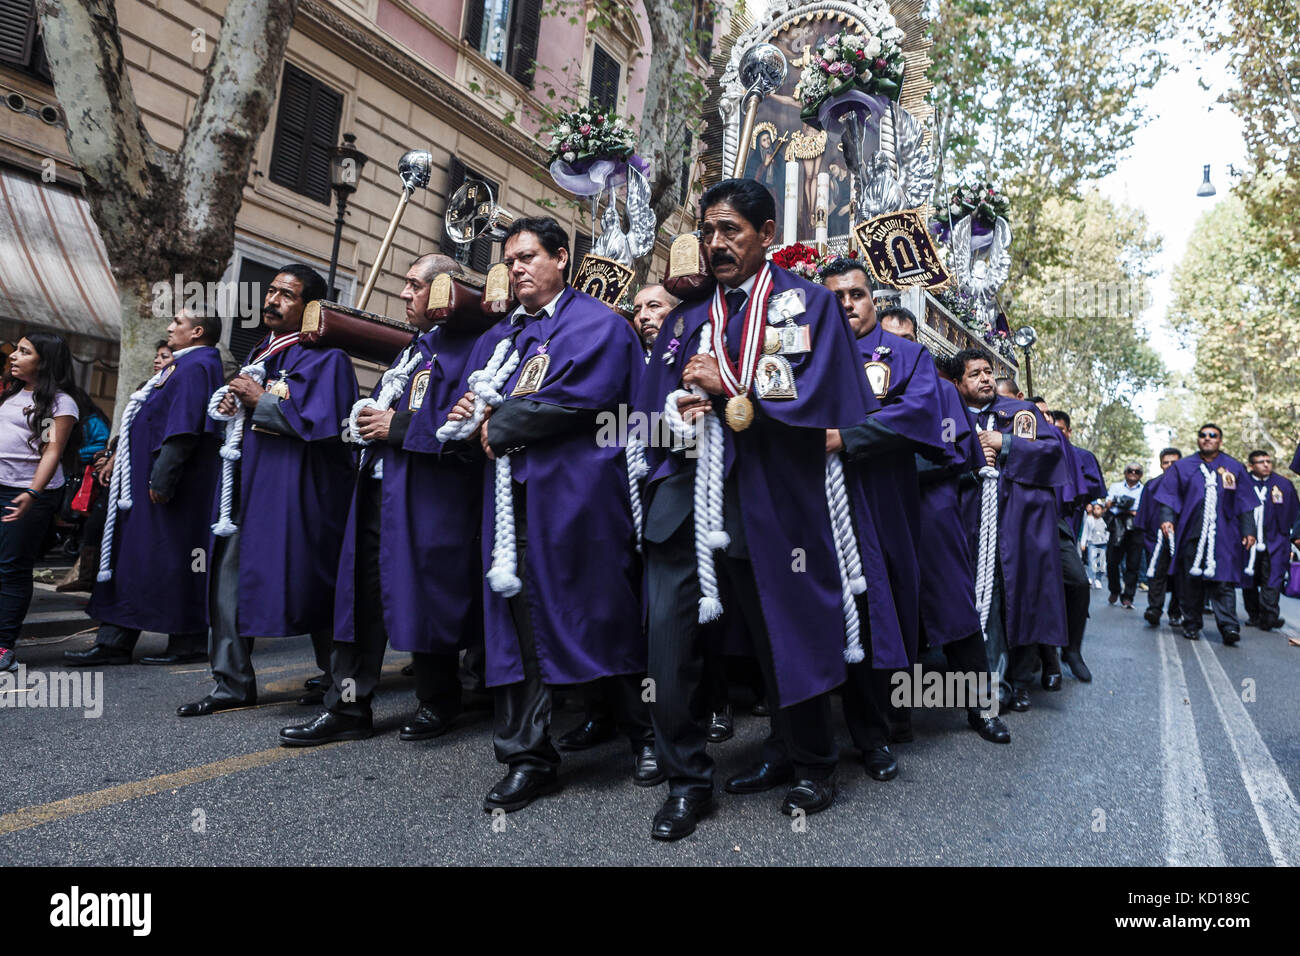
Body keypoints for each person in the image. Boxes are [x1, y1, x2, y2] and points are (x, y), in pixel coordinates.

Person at [635, 178, 875, 840]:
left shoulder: (807, 307)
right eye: (708, 231)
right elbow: (645, 422)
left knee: (784, 629)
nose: (715, 244)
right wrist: (675, 417)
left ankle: (807, 760)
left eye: (730, 231)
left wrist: (731, 386)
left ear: (767, 235)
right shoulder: (685, 322)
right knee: (668, 642)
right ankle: (687, 782)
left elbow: (824, 404)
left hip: (771, 490)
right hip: (687, 494)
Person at [444, 217, 656, 812]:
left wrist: (499, 421)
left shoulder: (598, 325)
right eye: (509, 259)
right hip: (509, 508)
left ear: (562, 258)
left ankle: (645, 733)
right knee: (513, 630)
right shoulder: (497, 340)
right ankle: (527, 756)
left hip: (578, 502)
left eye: (529, 256)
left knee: (602, 615)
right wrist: (467, 420)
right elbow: (469, 407)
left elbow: (577, 398)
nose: (516, 268)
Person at [281, 254, 487, 745]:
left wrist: (398, 428)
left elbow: (470, 435)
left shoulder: (478, 348)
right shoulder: (414, 349)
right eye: (405, 284)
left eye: (415, 285)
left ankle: (439, 700)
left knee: (424, 594)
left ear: (446, 292)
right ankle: (349, 706)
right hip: (376, 487)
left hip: (427, 497)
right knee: (360, 598)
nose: (404, 294)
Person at [178, 264, 359, 715]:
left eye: (287, 295)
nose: (272, 300)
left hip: (299, 494)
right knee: (227, 581)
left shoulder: (329, 358)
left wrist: (262, 401)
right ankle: (231, 681)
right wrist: (232, 406)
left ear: (310, 306)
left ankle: (342, 685)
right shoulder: (262, 352)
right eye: (271, 291)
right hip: (246, 489)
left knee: (315, 582)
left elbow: (328, 425)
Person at [821, 271, 947, 778]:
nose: (848, 304)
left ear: (874, 300)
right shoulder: (805, 356)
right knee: (812, 613)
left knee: (875, 614)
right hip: (814, 502)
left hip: (880, 503)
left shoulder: (908, 356)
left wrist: (844, 437)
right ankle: (794, 739)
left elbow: (917, 413)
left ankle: (874, 733)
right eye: (836, 297)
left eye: (857, 295)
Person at [65, 309, 224, 667]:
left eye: (178, 323)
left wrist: (162, 478)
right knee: (137, 561)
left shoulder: (196, 366)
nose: (169, 327)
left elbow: (184, 429)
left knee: (169, 563)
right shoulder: (184, 365)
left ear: (197, 332)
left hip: (167, 490)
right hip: (144, 487)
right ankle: (115, 642)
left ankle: (184, 642)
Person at [953, 349, 1070, 712]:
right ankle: (989, 684)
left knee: (1024, 597)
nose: (985, 379)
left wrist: (1005, 444)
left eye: (988, 372)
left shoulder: (1021, 413)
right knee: (984, 602)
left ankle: (1016, 682)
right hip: (969, 524)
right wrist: (973, 454)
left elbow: (1053, 453)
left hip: (1019, 526)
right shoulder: (948, 415)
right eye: (975, 374)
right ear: (958, 383)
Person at [0, 332, 81, 672]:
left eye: (24, 352)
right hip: (2, 484)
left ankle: (4, 647)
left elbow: (51, 451)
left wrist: (32, 493)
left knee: (11, 567)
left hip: (26, 493)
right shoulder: (14, 394)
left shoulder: (57, 404)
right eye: (16, 350)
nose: (14, 357)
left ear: (44, 361)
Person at [1154, 424, 1255, 645]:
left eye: (1213, 436)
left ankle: (1229, 626)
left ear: (1220, 440)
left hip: (1225, 534)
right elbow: (1169, 496)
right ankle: (1191, 623)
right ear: (1198, 439)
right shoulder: (1183, 467)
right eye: (1203, 435)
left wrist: (1249, 530)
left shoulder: (1234, 468)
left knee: (1223, 581)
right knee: (1190, 580)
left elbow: (1245, 501)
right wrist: (1167, 519)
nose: (1207, 438)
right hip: (1192, 531)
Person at [1049, 409, 1104, 683]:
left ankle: (1072, 650)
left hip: (1065, 528)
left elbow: (1092, 489)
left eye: (1059, 428)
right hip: (1030, 527)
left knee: (1078, 583)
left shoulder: (1081, 456)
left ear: (1068, 431)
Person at [1241, 450, 1298, 631]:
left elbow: (1294, 513)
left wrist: (1288, 536)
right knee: (1249, 578)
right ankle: (1254, 614)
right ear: (1251, 465)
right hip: (1248, 541)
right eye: (1260, 462)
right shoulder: (1243, 484)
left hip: (1275, 540)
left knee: (1273, 578)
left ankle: (1269, 615)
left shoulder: (1284, 485)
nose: (1266, 465)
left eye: (1268, 461)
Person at [1136, 447, 1183, 627]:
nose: (1170, 466)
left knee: (1180, 578)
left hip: (1180, 540)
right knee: (1156, 576)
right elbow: (1143, 514)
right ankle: (1154, 609)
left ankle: (1176, 612)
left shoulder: (1187, 486)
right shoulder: (1152, 485)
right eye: (1166, 462)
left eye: (1174, 463)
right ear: (1161, 464)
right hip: (1155, 540)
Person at [1105, 463, 1145, 607]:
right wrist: (1120, 504)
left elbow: (1142, 510)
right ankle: (1114, 589)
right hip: (1118, 526)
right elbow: (1108, 504)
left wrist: (1124, 506)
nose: (1133, 473)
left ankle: (1128, 596)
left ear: (1141, 474)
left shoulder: (1145, 490)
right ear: (1125, 473)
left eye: (1137, 471)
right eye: (1130, 470)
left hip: (1136, 527)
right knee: (1111, 561)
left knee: (1133, 564)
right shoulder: (1116, 486)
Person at [631, 284, 677, 359]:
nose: (642, 316)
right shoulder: (629, 361)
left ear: (676, 311)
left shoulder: (695, 354)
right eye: (637, 311)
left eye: (653, 306)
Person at [1081, 504, 1109, 589]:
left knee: (1100, 562)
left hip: (1103, 543)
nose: (1096, 510)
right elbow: (1085, 532)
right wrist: (1083, 543)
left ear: (1102, 510)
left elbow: (1108, 531)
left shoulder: (1104, 520)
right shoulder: (1089, 520)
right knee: (1091, 561)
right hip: (1092, 542)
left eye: (1098, 509)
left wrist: (1107, 539)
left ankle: (1098, 579)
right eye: (1095, 509)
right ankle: (1090, 577)